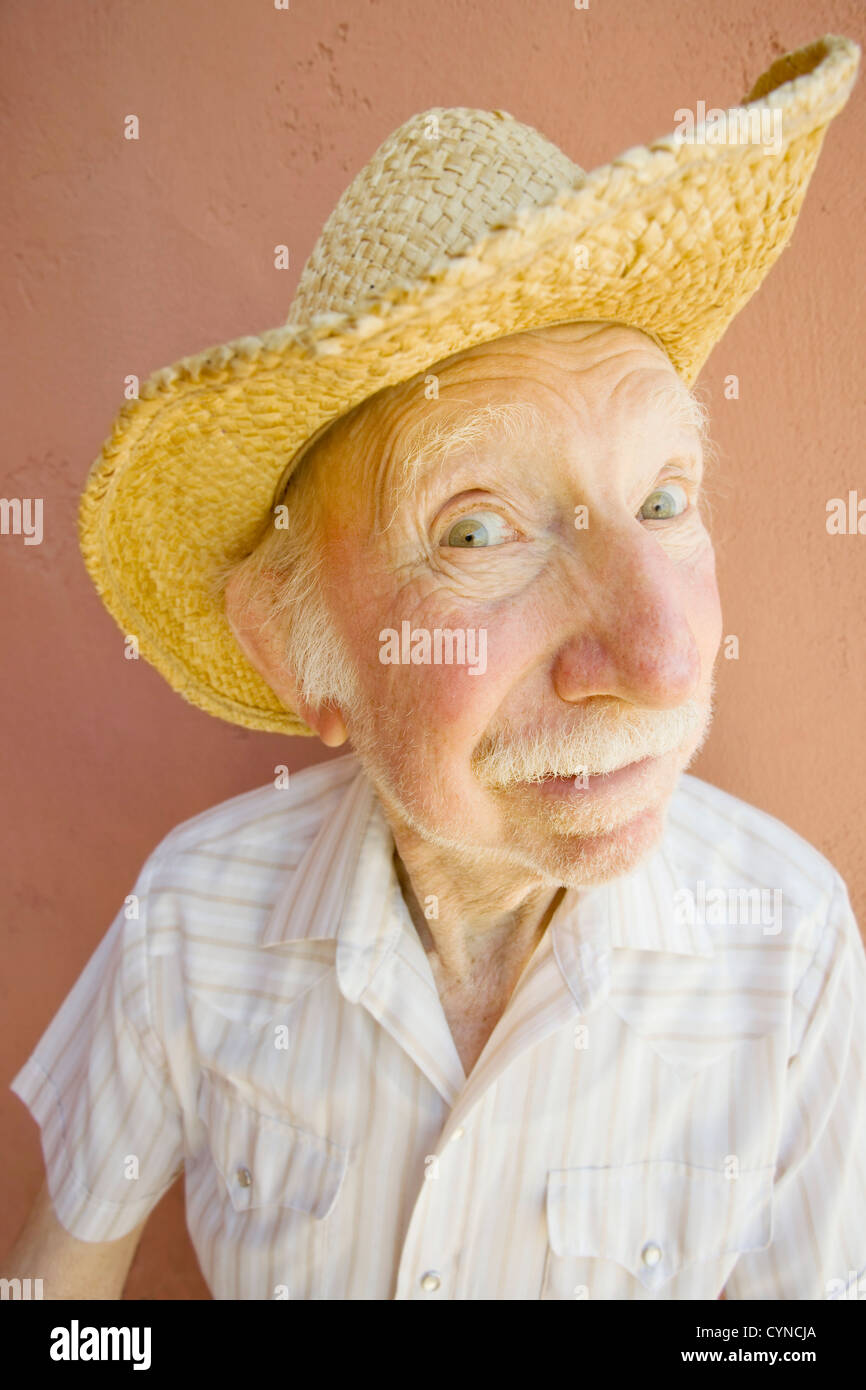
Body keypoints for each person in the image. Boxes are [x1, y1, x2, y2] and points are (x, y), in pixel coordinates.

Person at [4, 33, 864, 1300]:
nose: (664, 657)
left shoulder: (788, 945)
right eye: (475, 528)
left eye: (664, 497)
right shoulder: (186, 923)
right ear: (303, 647)